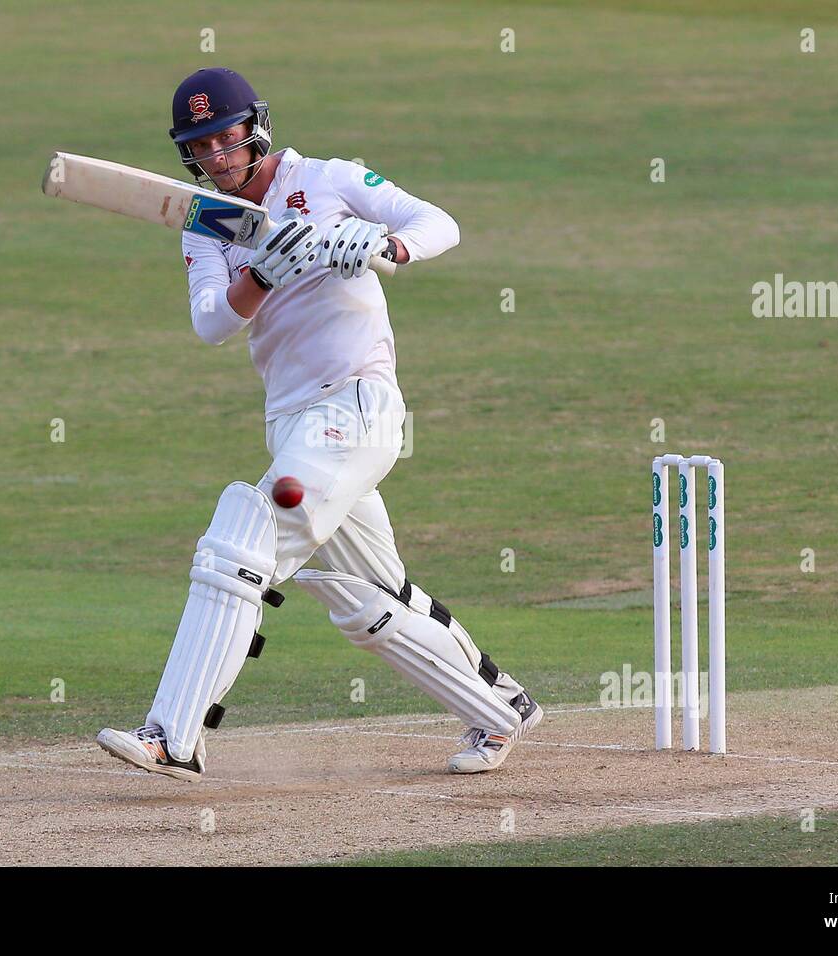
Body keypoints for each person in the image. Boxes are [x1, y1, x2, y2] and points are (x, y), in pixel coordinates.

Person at [96, 67, 542, 781]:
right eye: (199, 144)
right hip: (294, 421)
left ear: (254, 128)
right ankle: (500, 709)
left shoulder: (332, 180)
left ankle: (173, 734)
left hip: (357, 405)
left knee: (240, 540)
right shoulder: (207, 223)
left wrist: (381, 246)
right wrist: (262, 275)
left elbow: (438, 224)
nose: (215, 155)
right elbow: (212, 322)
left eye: (225, 137)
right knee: (369, 602)